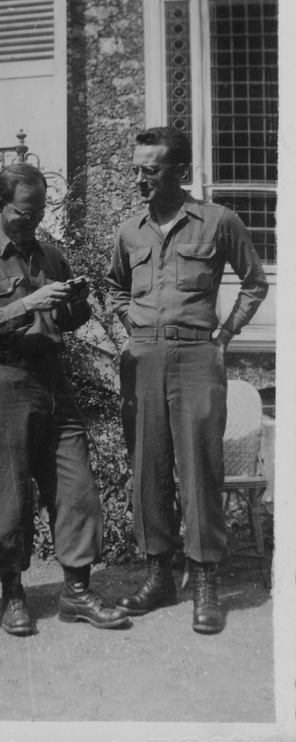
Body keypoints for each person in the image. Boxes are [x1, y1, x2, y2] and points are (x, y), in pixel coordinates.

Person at [0, 162, 128, 636]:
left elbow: (70, 320)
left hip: (55, 380)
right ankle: (13, 593)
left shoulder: (51, 255)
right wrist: (29, 303)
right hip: (6, 381)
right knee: (10, 495)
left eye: (38, 213)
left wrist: (75, 300)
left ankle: (76, 591)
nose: (32, 223)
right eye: (23, 214)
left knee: (77, 488)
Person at [107, 127, 268, 634]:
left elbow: (255, 281)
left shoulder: (218, 221)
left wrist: (224, 337)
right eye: (136, 169)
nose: (139, 179)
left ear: (178, 171)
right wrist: (127, 333)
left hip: (198, 354)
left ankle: (205, 583)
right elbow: (114, 286)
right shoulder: (129, 229)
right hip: (143, 358)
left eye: (149, 170)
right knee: (148, 466)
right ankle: (158, 575)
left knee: (199, 466)